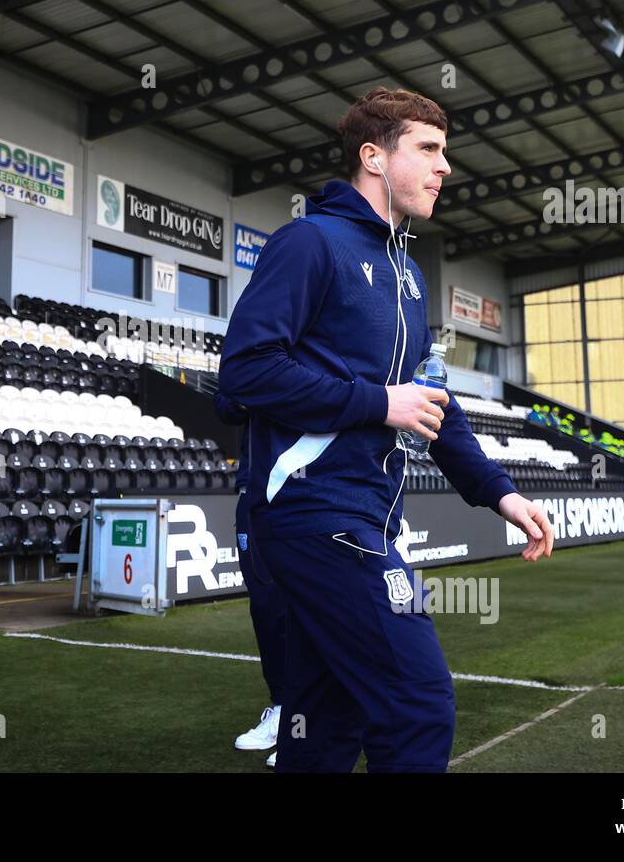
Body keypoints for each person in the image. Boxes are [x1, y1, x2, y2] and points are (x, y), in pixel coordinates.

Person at [218, 87, 554, 773]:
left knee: (325, 723)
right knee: (417, 704)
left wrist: (500, 494)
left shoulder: (407, 275)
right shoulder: (308, 243)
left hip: (365, 516)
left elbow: (431, 401)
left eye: (444, 152)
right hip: (316, 515)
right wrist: (378, 403)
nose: (445, 167)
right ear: (373, 157)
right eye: (428, 150)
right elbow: (244, 374)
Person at [214, 389, 286, 768]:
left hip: (306, 486)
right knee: (266, 606)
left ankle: (315, 720)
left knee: (311, 605)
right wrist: (252, 393)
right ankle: (284, 709)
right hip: (254, 492)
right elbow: (225, 405)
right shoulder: (257, 347)